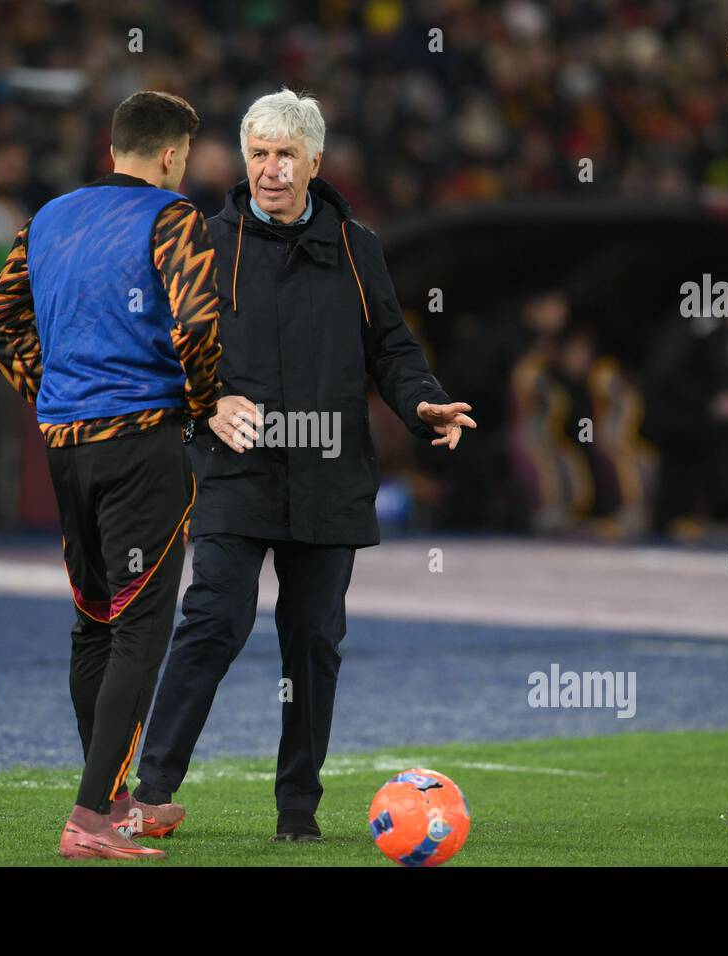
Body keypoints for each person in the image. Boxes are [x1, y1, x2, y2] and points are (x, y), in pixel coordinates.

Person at [131, 89, 475, 842]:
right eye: (259, 153)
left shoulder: (359, 248)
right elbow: (162, 353)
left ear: (315, 162)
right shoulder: (202, 245)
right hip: (236, 466)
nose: (271, 169)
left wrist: (421, 404)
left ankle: (297, 813)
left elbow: (391, 347)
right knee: (214, 620)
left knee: (313, 640)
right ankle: (148, 790)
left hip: (328, 474)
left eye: (286, 154)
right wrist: (207, 402)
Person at [0, 91, 227, 861]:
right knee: (143, 628)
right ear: (171, 156)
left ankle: (112, 801)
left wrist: (51, 394)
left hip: (66, 448)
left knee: (95, 621)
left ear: (113, 145)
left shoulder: (48, 217)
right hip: (142, 444)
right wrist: (201, 405)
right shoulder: (174, 216)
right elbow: (198, 323)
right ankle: (90, 819)